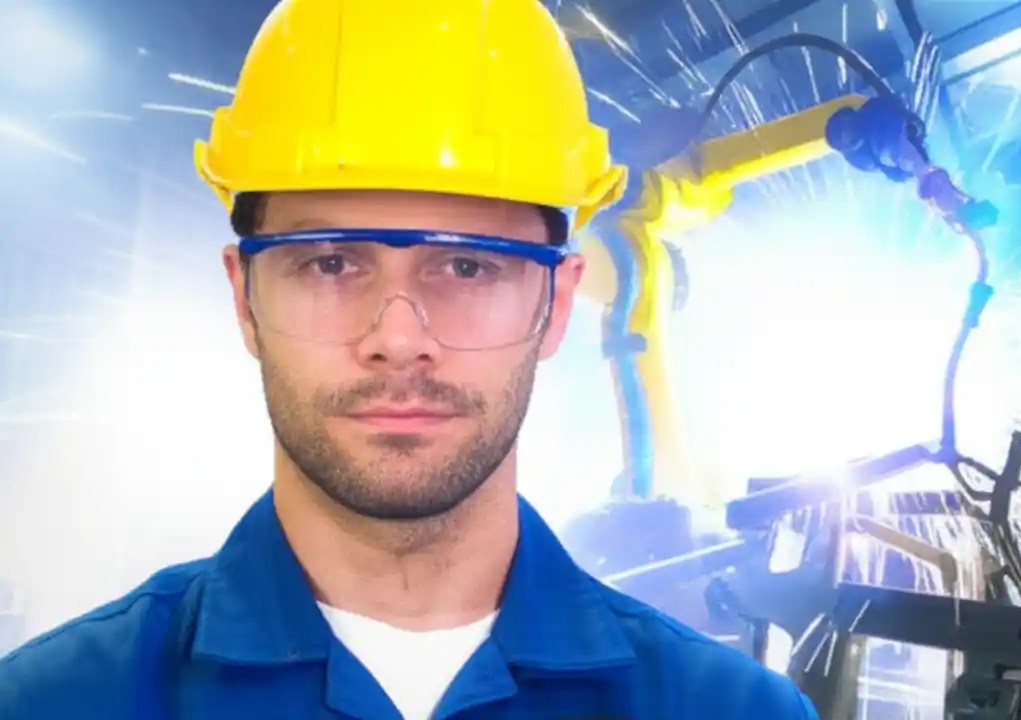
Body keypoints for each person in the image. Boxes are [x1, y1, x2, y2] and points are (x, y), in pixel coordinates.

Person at [0, 1, 818, 718]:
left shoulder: (733, 709)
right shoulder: (51, 704)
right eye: (330, 262)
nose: (397, 336)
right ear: (244, 298)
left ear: (557, 304)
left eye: (466, 266)